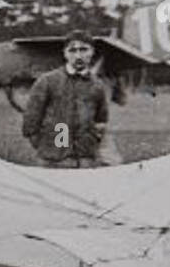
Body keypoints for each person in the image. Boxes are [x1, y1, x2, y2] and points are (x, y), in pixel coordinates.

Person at [21, 31, 117, 168]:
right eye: (72, 50)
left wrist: (91, 142)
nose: (78, 55)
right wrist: (45, 147)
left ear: (92, 52)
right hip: (54, 159)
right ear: (65, 53)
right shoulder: (48, 81)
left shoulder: (97, 85)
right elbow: (31, 120)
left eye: (84, 49)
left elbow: (101, 119)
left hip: (85, 159)